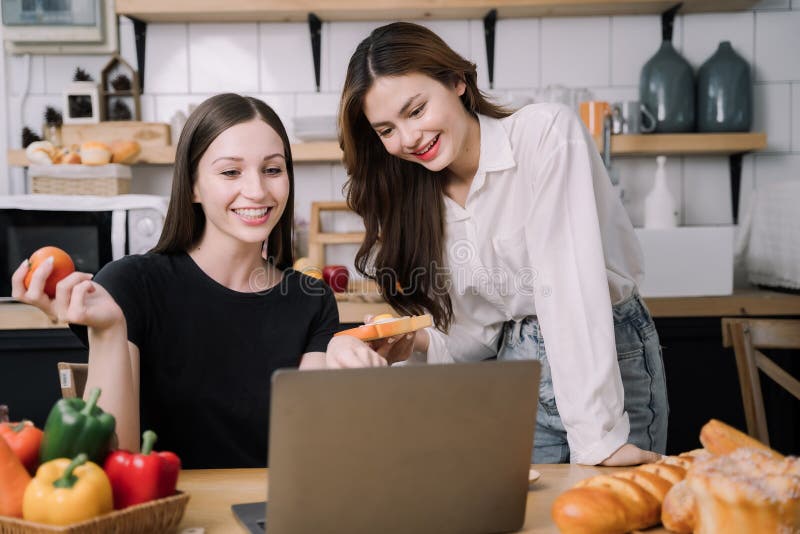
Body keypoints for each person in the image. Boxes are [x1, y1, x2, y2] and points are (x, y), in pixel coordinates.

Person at [336, 22, 668, 466]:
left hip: (608, 366)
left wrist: (600, 440)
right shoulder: (420, 202)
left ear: (456, 81)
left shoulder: (544, 134)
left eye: (415, 111)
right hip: (518, 374)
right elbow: (479, 333)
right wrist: (415, 342)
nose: (408, 139)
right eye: (386, 130)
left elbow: (568, 290)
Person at [12, 93, 386, 469]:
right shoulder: (129, 285)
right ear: (192, 186)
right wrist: (109, 330)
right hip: (167, 519)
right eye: (230, 172)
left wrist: (348, 375)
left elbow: (310, 454)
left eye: (272, 170)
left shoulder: (309, 298)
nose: (257, 190)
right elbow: (117, 463)